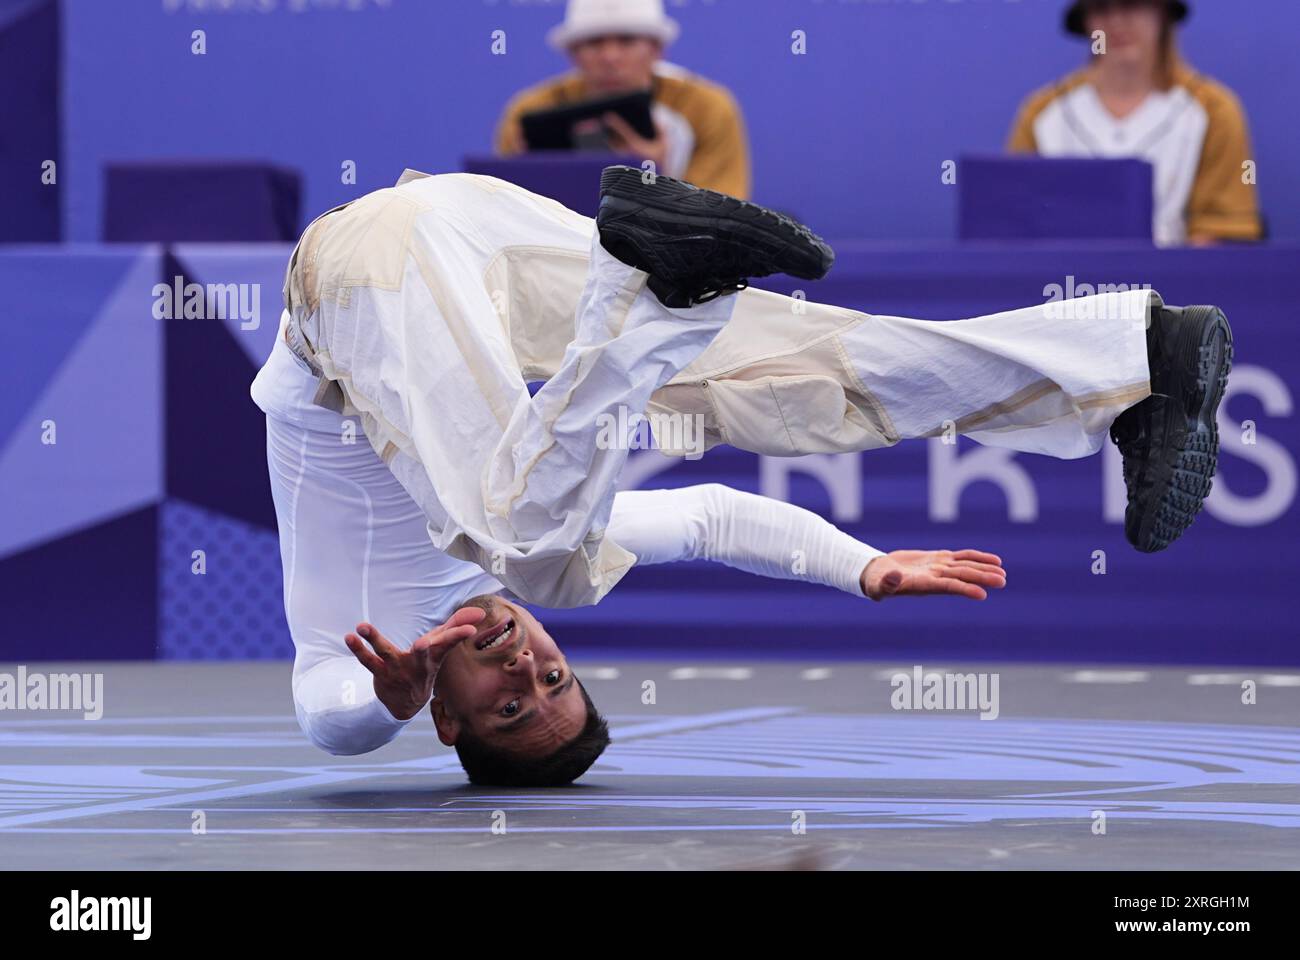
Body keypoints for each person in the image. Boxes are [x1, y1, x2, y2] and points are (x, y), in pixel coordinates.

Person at [250, 164, 1232, 786]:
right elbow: (712, 519)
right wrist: (863, 568)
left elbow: (324, 723)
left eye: (509, 703)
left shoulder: (353, 652)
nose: (523, 666)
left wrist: (382, 705)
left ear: (448, 722)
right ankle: (1126, 368)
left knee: (540, 547)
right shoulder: (504, 514)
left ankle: (658, 294)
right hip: (462, 222)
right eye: (552, 677)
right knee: (770, 373)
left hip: (350, 283)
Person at [1007, 0, 1262, 246]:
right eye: (1101, 7)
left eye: (1132, 4)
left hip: (1172, 284)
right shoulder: (1043, 113)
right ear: (1085, 21)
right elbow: (1015, 224)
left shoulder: (1213, 109)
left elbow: (1220, 230)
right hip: (1063, 284)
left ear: (1162, 13)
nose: (1117, 21)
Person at [494, 0, 751, 198]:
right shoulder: (529, 112)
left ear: (657, 49)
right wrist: (525, 177)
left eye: (627, 40)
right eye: (594, 42)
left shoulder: (708, 108)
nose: (610, 57)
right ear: (572, 54)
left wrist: (655, 175)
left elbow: (720, 225)